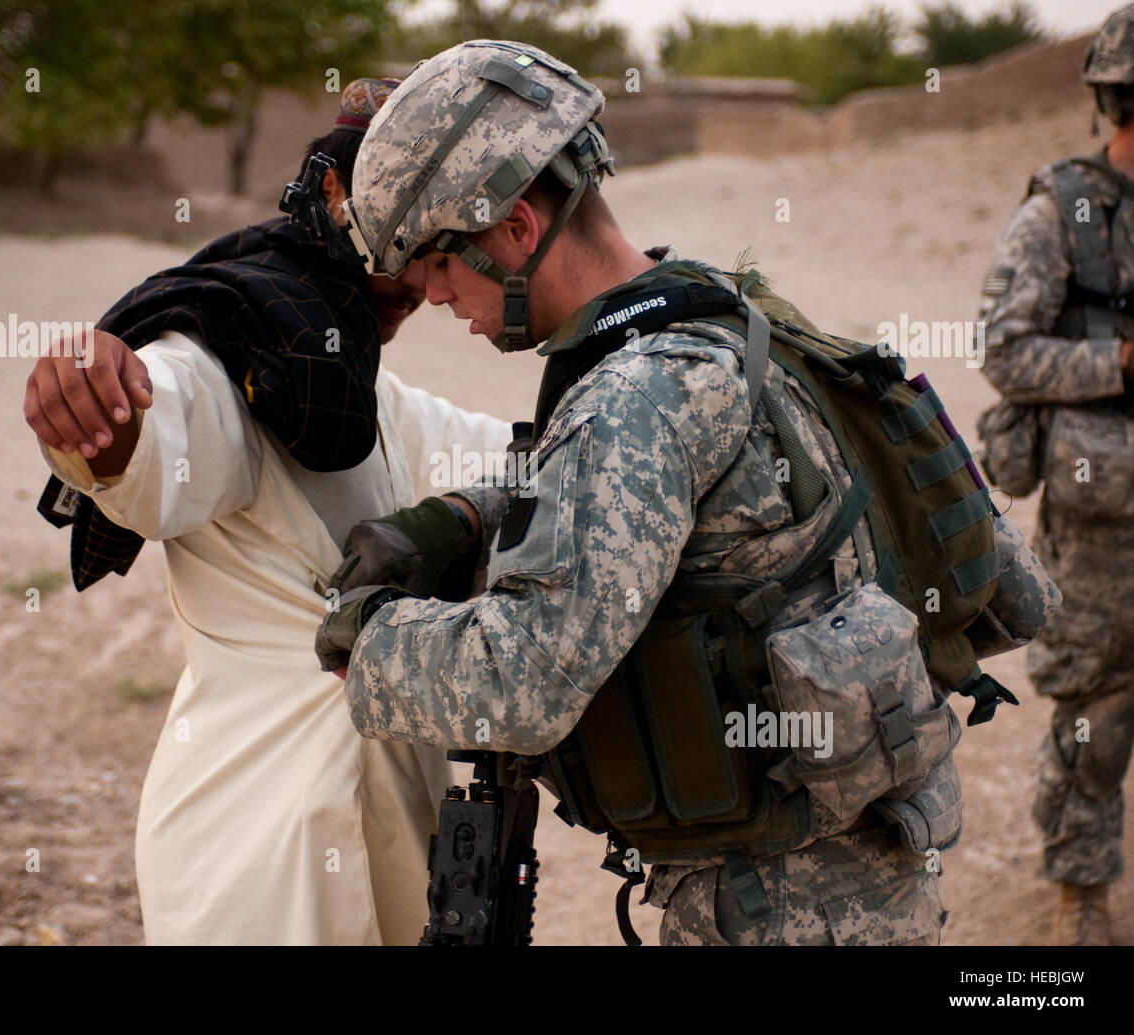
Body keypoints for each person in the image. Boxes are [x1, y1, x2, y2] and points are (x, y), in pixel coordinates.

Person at [316, 40, 1057, 946]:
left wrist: (370, 636)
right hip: (854, 874)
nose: (431, 294)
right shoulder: (718, 311)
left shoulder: (635, 395)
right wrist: (470, 514)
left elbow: (524, 682)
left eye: (437, 262)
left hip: (777, 908)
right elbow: (630, 496)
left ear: (514, 226)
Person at [24, 78, 513, 944]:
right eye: (388, 218)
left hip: (398, 835)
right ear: (332, 192)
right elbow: (165, 428)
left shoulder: (371, 397)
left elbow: (523, 460)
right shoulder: (234, 343)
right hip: (261, 854)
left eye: (430, 234)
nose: (406, 267)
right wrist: (98, 414)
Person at [977, 4, 1134, 946]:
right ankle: (1083, 890)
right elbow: (1005, 350)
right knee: (1094, 711)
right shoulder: (1060, 215)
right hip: (1103, 514)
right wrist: (1118, 365)